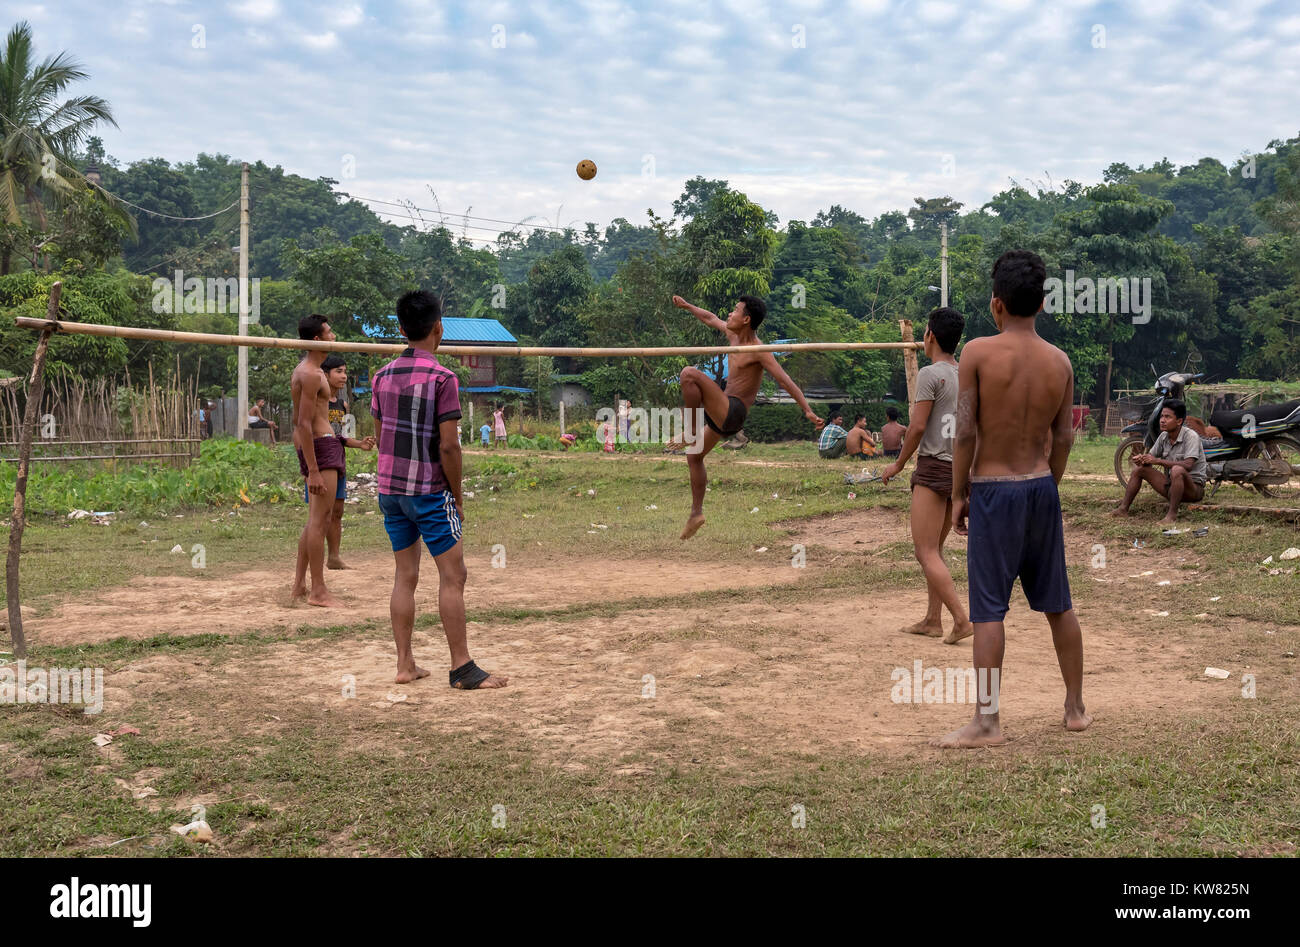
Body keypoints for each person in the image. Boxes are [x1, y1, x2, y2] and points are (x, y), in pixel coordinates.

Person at [938, 249, 1089, 748]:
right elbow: (1063, 438)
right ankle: (1075, 708)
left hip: (993, 490)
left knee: (987, 611)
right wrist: (1051, 484)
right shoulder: (1060, 362)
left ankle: (987, 722)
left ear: (995, 304)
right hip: (1041, 487)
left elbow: (963, 433)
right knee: (1058, 605)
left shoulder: (978, 353)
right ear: (1042, 304)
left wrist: (959, 493)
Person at [372, 289, 507, 689]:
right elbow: (449, 445)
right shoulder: (443, 378)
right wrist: (457, 497)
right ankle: (462, 667)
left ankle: (404, 664)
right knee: (454, 575)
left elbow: (381, 437)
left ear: (400, 329)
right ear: (439, 328)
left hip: (390, 491)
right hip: (429, 492)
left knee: (404, 576)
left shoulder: (380, 377)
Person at [672, 293, 823, 539]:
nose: (729, 314)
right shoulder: (733, 335)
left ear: (746, 319)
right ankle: (696, 513)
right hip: (723, 412)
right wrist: (687, 306)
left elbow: (784, 380)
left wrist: (807, 409)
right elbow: (710, 318)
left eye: (735, 310)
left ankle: (689, 431)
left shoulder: (759, 350)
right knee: (694, 456)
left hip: (734, 411)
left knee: (689, 373)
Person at [880, 308, 973, 646]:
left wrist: (899, 464)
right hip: (962, 469)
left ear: (930, 336)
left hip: (934, 466)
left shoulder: (930, 374)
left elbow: (917, 426)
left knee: (924, 551)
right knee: (936, 548)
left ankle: (961, 620)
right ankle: (933, 620)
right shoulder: (966, 372)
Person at [290, 314, 344, 608]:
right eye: (329, 332)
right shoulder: (310, 374)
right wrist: (312, 470)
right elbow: (303, 423)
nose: (333, 336)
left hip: (322, 446)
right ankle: (318, 590)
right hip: (320, 448)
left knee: (315, 520)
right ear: (316, 339)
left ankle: (300, 584)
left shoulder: (314, 371)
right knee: (319, 521)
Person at [314, 354, 376, 570]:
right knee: (321, 513)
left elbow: (343, 436)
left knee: (338, 511)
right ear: (325, 374)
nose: (344, 376)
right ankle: (314, 560)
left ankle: (334, 557)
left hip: (338, 460)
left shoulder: (343, 404)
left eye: (344, 371)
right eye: (338, 371)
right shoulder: (315, 401)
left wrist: (360, 444)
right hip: (322, 462)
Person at [1111, 399, 1207, 525]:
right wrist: (1143, 459)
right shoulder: (1163, 436)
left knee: (1177, 470)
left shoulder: (1191, 436)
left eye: (1167, 417)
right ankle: (1123, 509)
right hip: (1171, 487)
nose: (1162, 420)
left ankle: (1171, 515)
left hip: (1193, 489)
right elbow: (1151, 456)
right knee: (1139, 470)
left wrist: (1157, 461)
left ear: (1179, 421)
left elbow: (1188, 465)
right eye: (1162, 416)